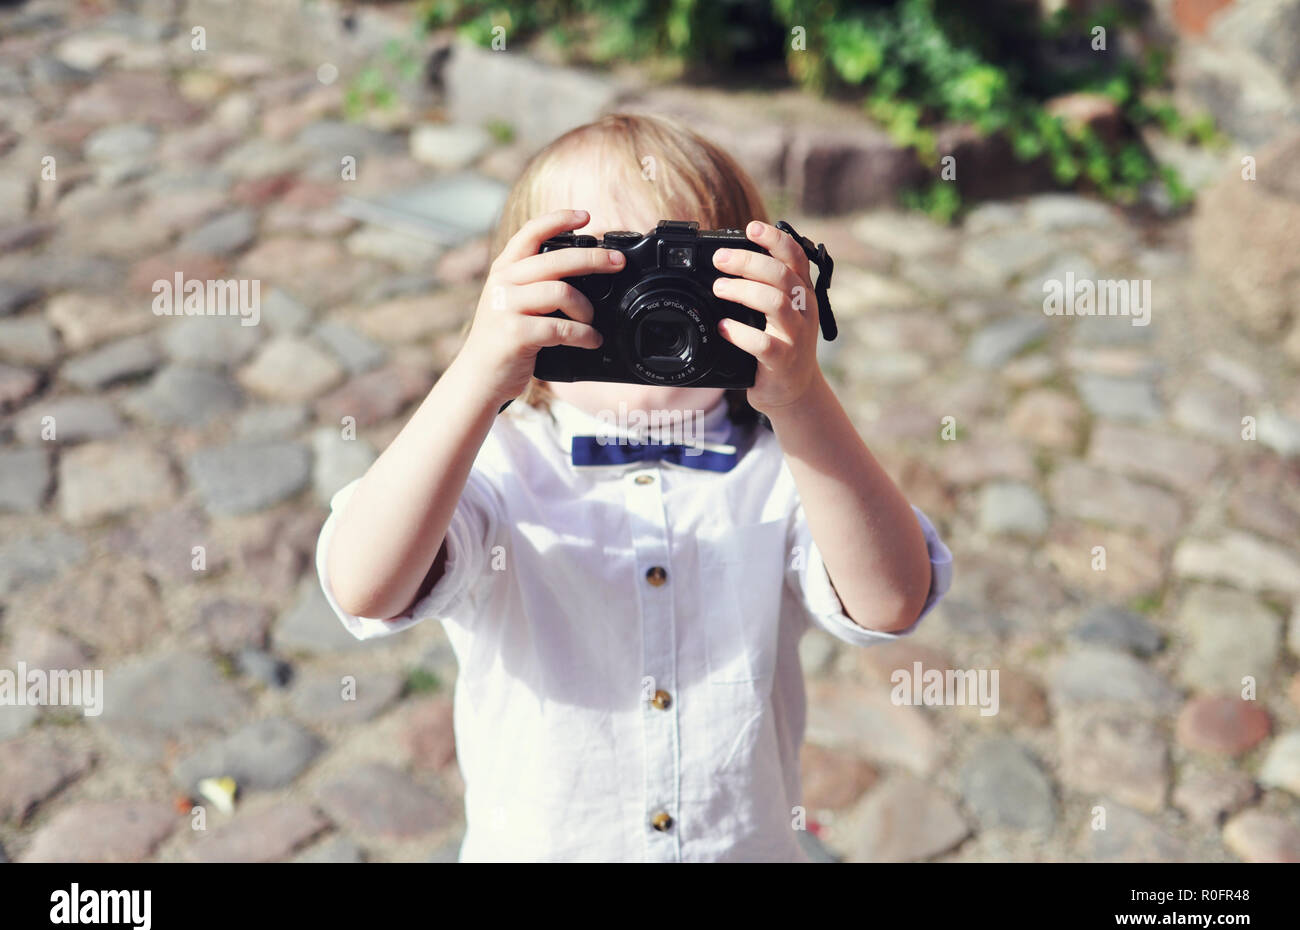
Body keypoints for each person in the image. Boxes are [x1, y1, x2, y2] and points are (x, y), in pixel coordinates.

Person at [317, 113, 953, 861]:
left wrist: (803, 395)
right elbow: (365, 586)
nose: (656, 307)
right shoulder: (496, 465)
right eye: (606, 275)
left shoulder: (785, 471)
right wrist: (477, 373)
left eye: (685, 275)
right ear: (519, 293)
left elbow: (893, 598)